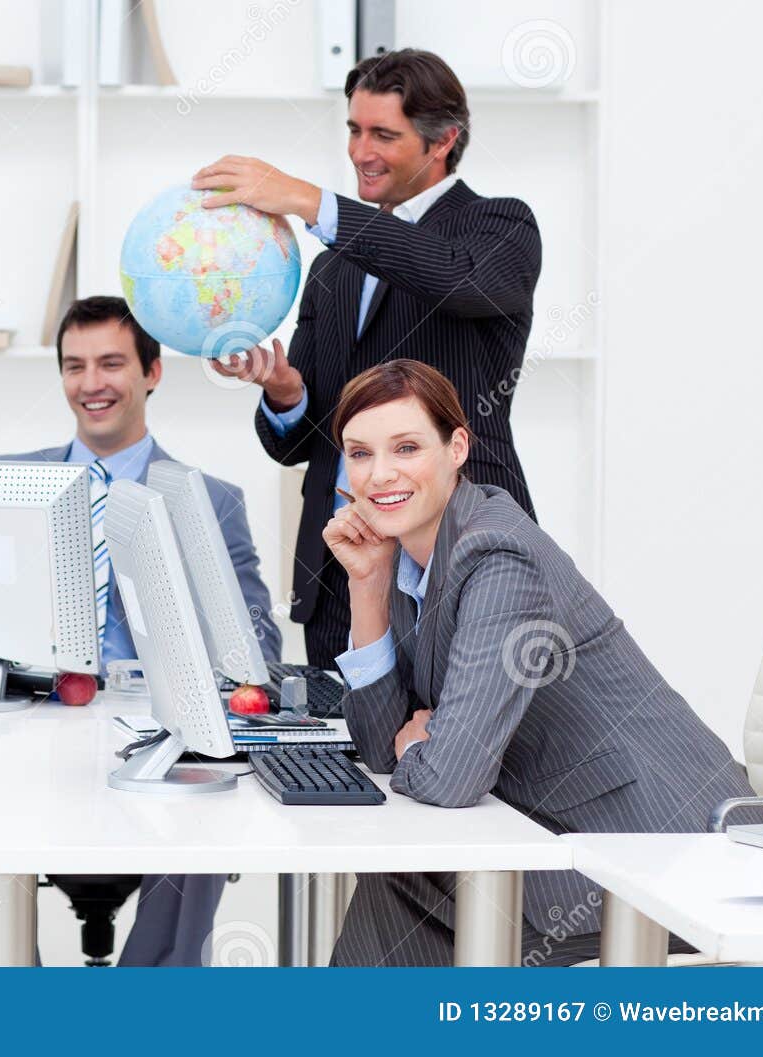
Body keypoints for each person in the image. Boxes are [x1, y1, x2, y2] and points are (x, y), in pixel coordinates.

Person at [318, 359, 763, 966]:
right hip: (566, 832)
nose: (380, 474)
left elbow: (449, 778)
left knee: (409, 881)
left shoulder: (499, 555)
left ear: (457, 448)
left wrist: (421, 746)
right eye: (360, 453)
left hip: (663, 854)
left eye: (406, 447)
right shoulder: (407, 555)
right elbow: (380, 748)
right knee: (401, 878)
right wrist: (368, 588)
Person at [189, 48, 541, 670]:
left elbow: (456, 280)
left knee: (453, 729)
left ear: (444, 140)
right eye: (354, 129)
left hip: (456, 561)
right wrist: (285, 393)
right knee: (340, 734)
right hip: (339, 578)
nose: (361, 151)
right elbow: (301, 446)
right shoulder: (333, 267)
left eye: (384, 134)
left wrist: (311, 202)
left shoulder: (498, 227)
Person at [0, 295, 280, 966]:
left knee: (207, 786)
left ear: (152, 372)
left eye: (111, 363)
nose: (91, 383)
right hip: (34, 728)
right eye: (75, 366)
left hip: (152, 732)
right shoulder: (10, 480)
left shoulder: (210, 499)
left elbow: (257, 647)